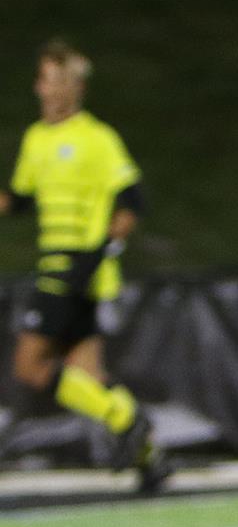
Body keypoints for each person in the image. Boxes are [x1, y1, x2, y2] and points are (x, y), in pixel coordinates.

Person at [1, 40, 169, 494]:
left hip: (78, 268)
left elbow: (132, 201)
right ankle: (150, 457)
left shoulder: (97, 138)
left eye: (53, 81)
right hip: (53, 265)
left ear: (75, 87)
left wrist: (101, 253)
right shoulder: (37, 139)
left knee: (31, 368)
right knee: (89, 379)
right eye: (41, 80)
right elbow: (18, 199)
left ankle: (126, 419)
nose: (43, 90)